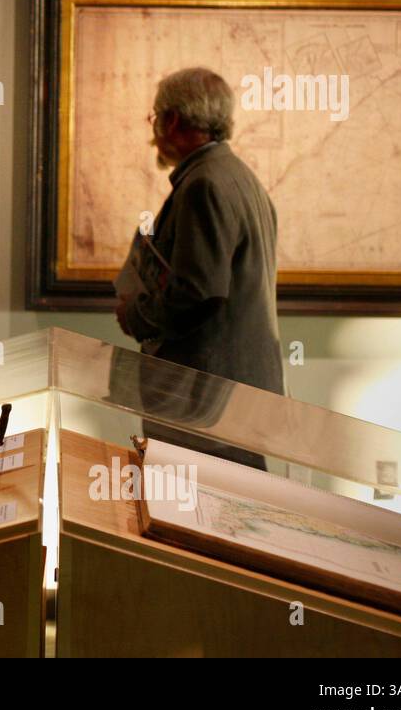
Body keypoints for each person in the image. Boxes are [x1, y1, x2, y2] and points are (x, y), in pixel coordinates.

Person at [116, 67, 282, 466]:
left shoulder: (204, 185)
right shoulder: (240, 178)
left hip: (204, 408)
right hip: (233, 405)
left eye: (155, 118)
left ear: (172, 120)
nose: (153, 130)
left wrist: (135, 313)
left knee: (195, 520)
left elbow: (197, 293)